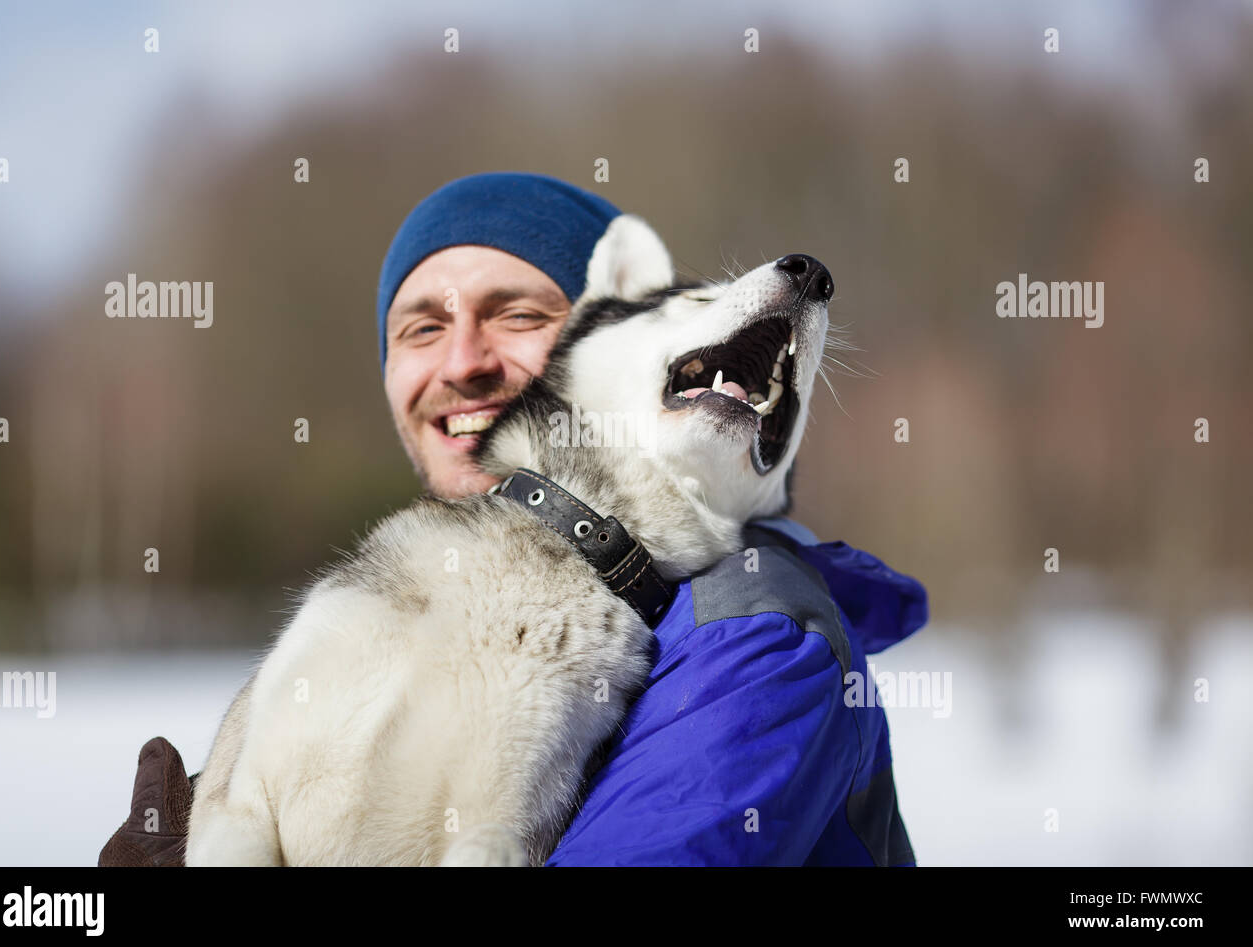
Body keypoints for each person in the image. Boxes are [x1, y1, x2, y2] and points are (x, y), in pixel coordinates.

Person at [100, 172, 927, 867]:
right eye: (423, 327)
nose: (462, 362)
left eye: (519, 315)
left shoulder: (756, 636)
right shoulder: (414, 583)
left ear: (596, 335)